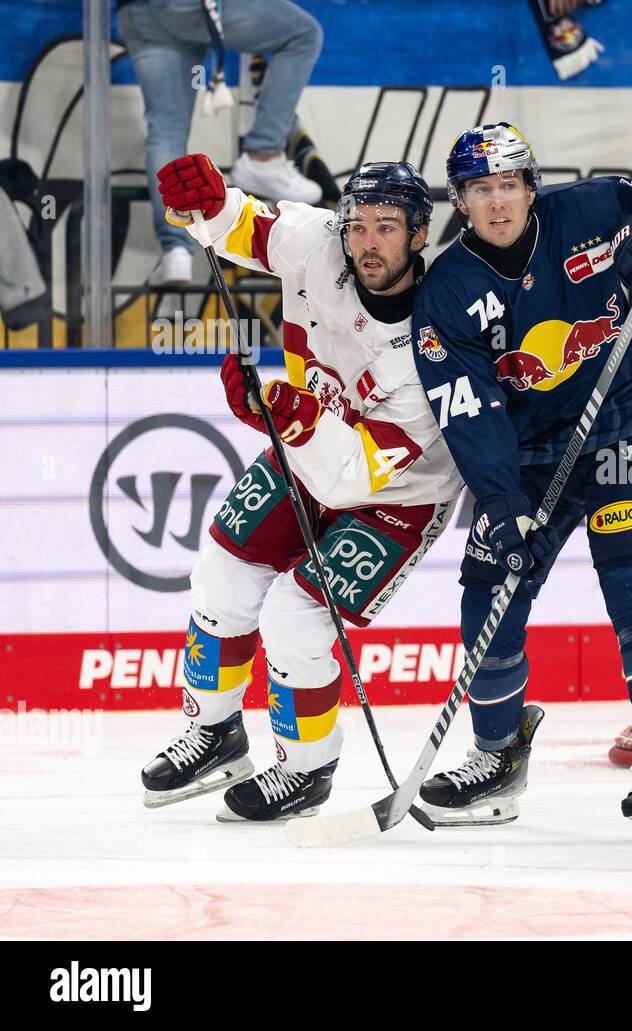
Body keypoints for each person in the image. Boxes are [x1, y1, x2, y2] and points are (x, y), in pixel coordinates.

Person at [411, 122, 632, 842]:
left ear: (532, 187)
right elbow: (468, 410)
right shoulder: (446, 292)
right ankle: (497, 755)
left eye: (509, 185)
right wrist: (503, 504)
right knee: (490, 590)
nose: (498, 202)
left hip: (628, 422)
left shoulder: (598, 208)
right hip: (524, 453)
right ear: (461, 201)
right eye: (480, 189)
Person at [140, 155, 463, 821]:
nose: (367, 241)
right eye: (359, 225)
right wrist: (203, 199)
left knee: (296, 612)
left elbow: (356, 475)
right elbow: (238, 225)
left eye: (387, 227)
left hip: (399, 492)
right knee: (224, 569)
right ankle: (216, 732)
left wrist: (285, 415)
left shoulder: (435, 342)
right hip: (310, 441)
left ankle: (307, 769)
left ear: (420, 234)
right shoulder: (319, 243)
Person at [117, 0, 325, 286]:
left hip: (138, 12)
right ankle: (263, 155)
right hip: (192, 7)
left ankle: (176, 251)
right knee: (303, 34)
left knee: (165, 129)